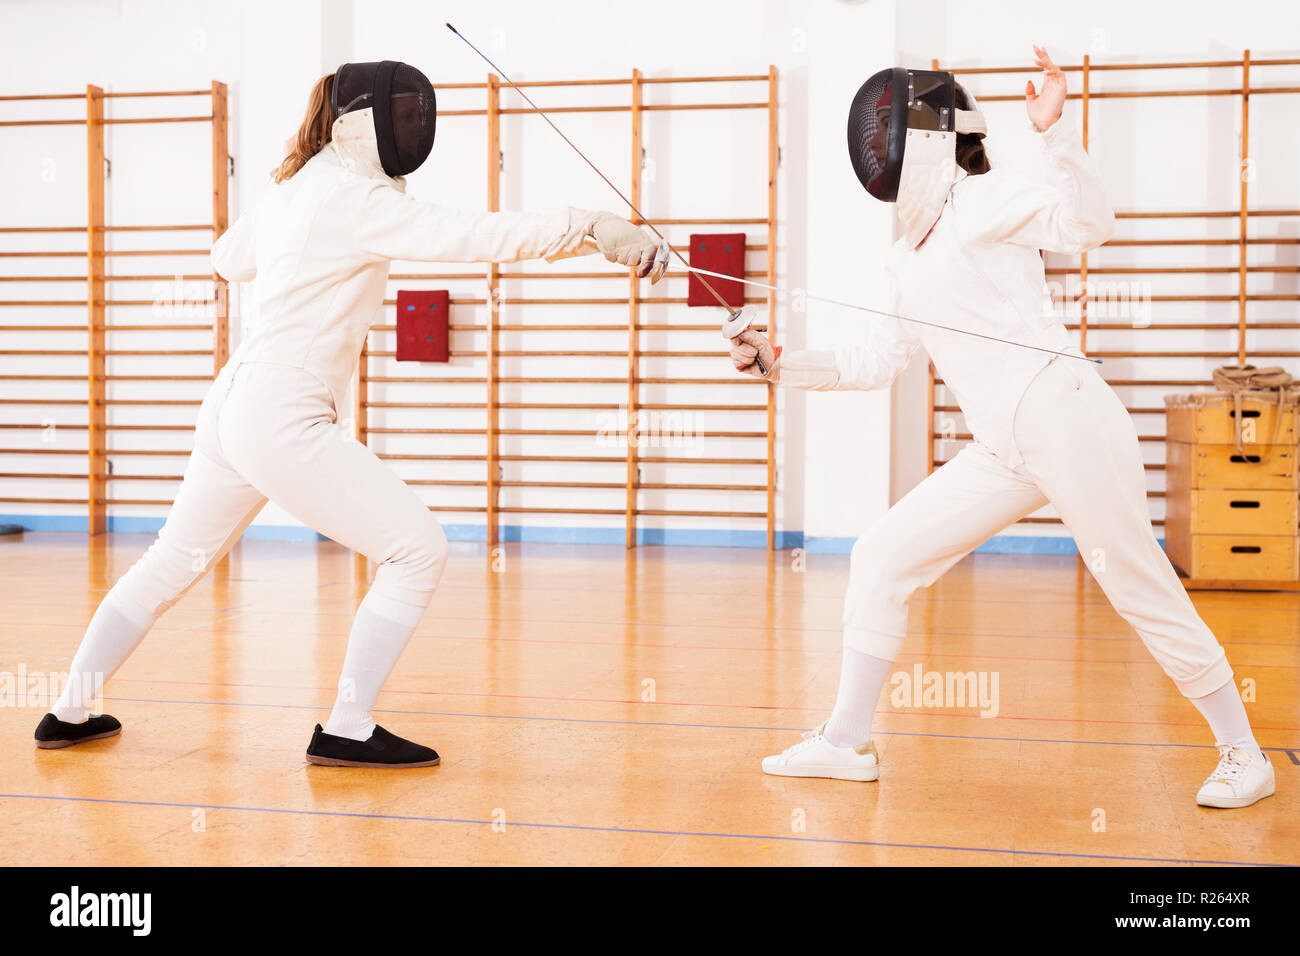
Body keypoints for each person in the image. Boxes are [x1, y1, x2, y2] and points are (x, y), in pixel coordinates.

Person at [35, 61, 666, 768]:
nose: (412, 129)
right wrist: (592, 226)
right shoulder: (351, 201)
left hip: (234, 405)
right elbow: (476, 236)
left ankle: (69, 709)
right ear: (359, 123)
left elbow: (224, 258)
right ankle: (347, 725)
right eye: (401, 116)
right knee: (417, 549)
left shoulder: (301, 189)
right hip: (280, 412)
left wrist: (284, 220)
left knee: (170, 561)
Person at [729, 48, 1273, 808]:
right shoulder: (905, 256)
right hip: (1004, 446)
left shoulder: (980, 200)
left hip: (1065, 413)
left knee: (1138, 587)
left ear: (923, 138)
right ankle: (846, 742)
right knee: (882, 554)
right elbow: (875, 360)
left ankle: (1245, 755)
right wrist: (780, 362)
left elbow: (1089, 222)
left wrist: (1055, 136)